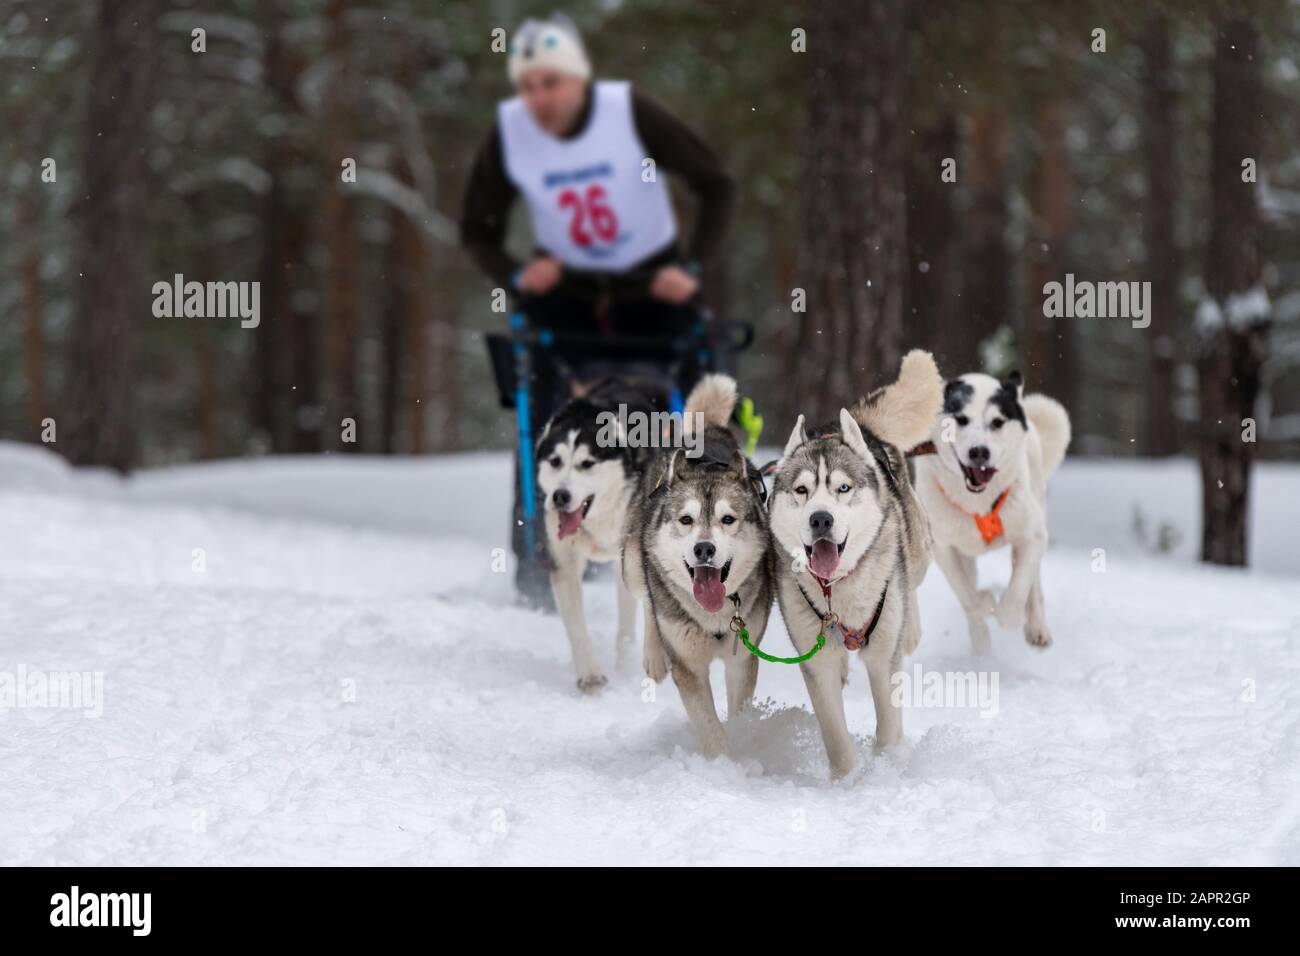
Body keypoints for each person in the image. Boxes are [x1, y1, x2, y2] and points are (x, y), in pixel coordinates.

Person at [460, 12, 735, 607]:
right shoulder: (512, 132)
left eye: (552, 83)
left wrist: (687, 269)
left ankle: (700, 554)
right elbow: (475, 229)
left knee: (689, 425)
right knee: (547, 425)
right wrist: (515, 273)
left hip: (650, 299)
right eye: (529, 86)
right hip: (567, 306)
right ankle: (543, 571)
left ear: (579, 81)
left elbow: (716, 184)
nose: (540, 99)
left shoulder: (627, 112)